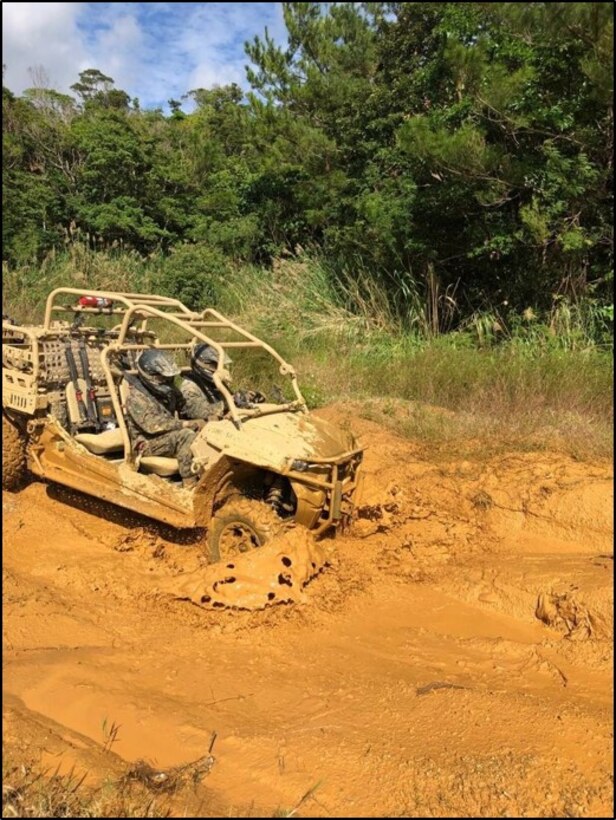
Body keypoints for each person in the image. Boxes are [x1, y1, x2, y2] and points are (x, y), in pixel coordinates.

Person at [124, 349, 204, 488]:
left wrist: (215, 414)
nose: (167, 382)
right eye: (162, 378)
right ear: (150, 375)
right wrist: (186, 424)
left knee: (208, 433)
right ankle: (190, 485)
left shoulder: (170, 391)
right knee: (185, 435)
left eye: (169, 378)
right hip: (147, 444)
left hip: (167, 438)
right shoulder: (136, 397)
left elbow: (187, 408)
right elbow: (153, 425)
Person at [180, 342, 266, 422]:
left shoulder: (213, 380)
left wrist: (245, 397)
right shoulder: (189, 387)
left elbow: (228, 398)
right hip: (202, 428)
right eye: (214, 365)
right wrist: (229, 403)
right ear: (202, 364)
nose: (218, 368)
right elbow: (197, 412)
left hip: (223, 421)